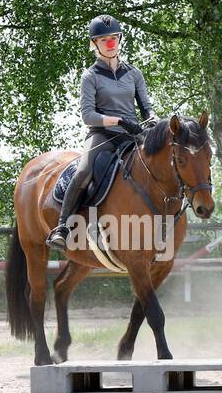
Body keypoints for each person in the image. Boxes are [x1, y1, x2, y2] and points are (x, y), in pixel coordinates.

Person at [46, 14, 154, 250]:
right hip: (102, 135)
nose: (110, 43)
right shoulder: (90, 76)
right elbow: (88, 115)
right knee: (84, 170)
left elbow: (146, 107)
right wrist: (120, 120)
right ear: (95, 44)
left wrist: (152, 120)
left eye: (114, 38)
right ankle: (63, 227)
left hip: (133, 134)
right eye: (104, 39)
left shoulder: (134, 73)